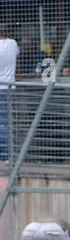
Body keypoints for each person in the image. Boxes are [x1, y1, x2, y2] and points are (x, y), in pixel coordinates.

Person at [0, 23, 15, 160]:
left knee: (2, 123)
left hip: (1, 87)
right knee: (5, 122)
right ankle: (6, 156)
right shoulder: (13, 43)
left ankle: (4, 155)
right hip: (9, 88)